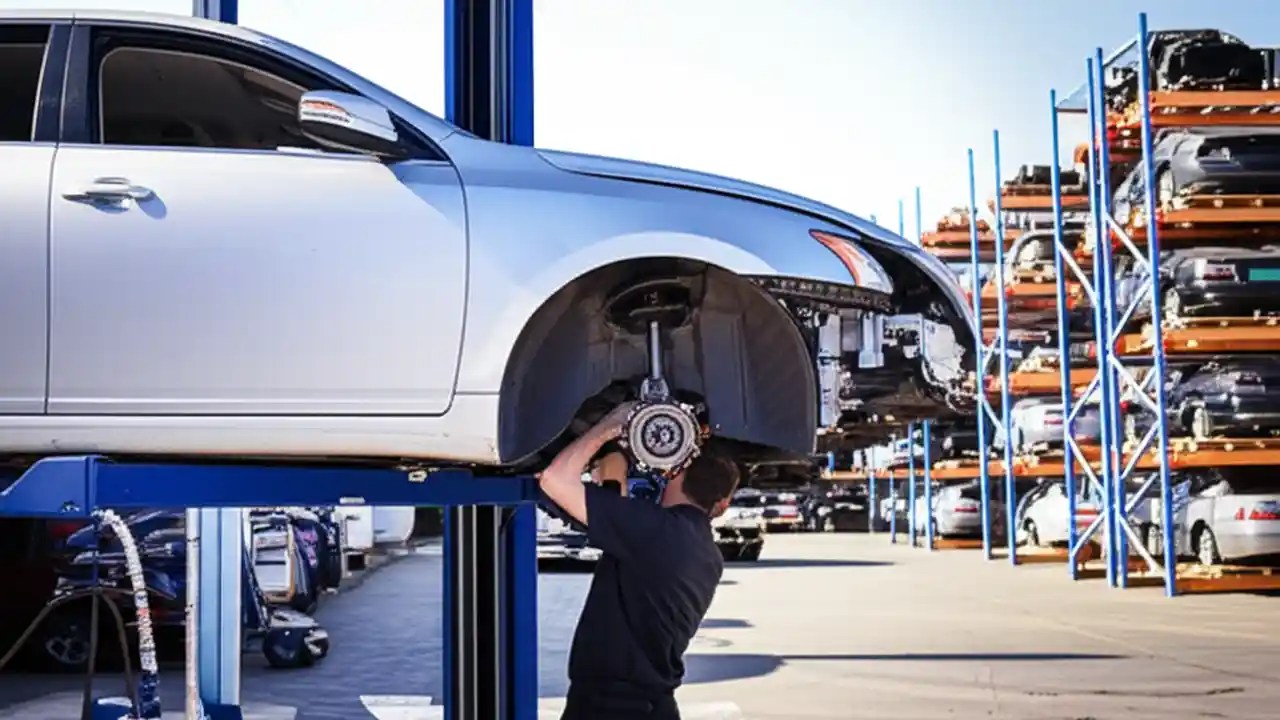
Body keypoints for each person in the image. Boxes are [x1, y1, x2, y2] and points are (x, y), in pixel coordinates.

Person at [538, 402, 742, 720]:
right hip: (644, 705)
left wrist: (606, 427)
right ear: (722, 504)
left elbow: (554, 479)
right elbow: (621, 515)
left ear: (674, 474)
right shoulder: (703, 551)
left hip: (612, 709)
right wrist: (615, 462)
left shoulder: (655, 531)